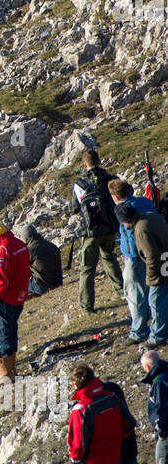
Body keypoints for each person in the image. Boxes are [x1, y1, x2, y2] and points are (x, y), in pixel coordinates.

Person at [72, 148, 123, 313]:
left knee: (87, 268)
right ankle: (121, 290)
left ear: (85, 164)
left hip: (91, 232)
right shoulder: (110, 179)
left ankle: (87, 306)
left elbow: (74, 208)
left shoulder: (79, 183)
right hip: (109, 229)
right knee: (109, 257)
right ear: (100, 162)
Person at [108, 179, 158, 345]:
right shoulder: (145, 201)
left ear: (115, 197)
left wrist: (130, 255)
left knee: (135, 294)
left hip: (135, 257)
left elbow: (129, 235)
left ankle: (139, 331)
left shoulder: (123, 210)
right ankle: (157, 324)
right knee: (154, 290)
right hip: (154, 252)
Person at [0, 215, 30, 386]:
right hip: (20, 295)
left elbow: (1, 279)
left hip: (6, 299)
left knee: (3, 334)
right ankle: (12, 369)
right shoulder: (20, 244)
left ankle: (5, 374)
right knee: (12, 330)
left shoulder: (3, 250)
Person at [115, 200, 168, 346]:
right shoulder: (150, 216)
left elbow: (151, 256)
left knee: (155, 300)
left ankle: (158, 336)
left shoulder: (140, 230)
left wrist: (151, 278)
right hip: (165, 259)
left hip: (160, 266)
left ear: (125, 221)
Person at [140, 347, 168, 464]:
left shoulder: (158, 384)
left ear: (148, 367)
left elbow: (159, 411)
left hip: (166, 437)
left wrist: (161, 434)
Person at [13, 223, 62, 295]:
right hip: (58, 283)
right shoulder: (51, 245)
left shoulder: (29, 250)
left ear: (24, 237)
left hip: (43, 287)